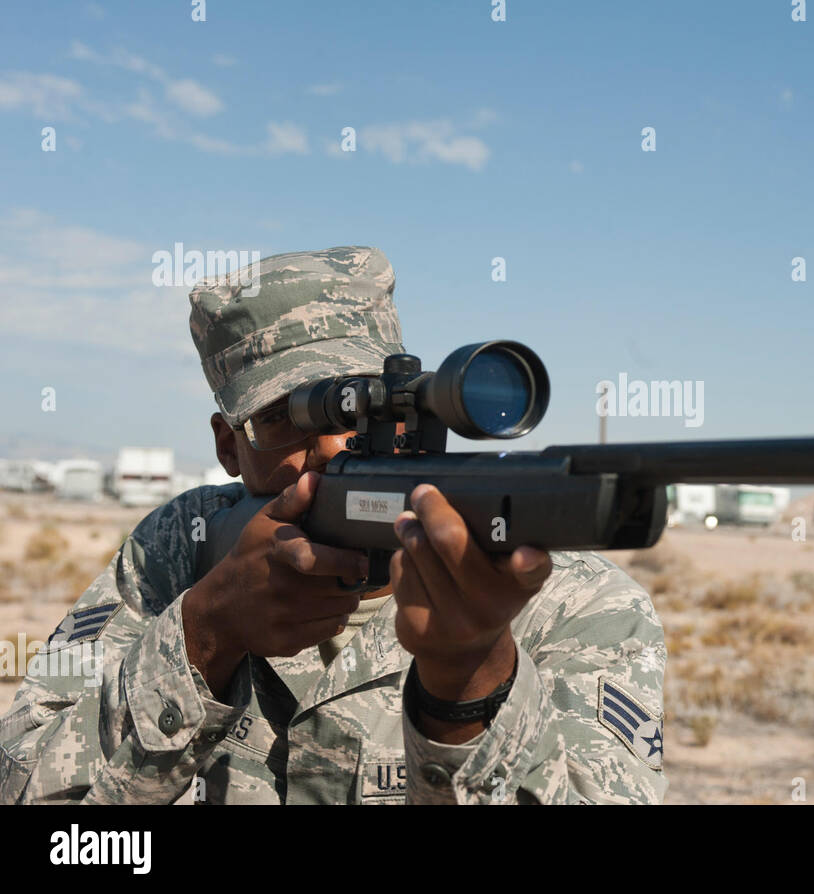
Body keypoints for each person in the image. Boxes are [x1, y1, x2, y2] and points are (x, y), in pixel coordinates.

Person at [0, 246, 667, 804]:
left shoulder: (575, 603)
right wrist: (205, 635)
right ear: (229, 446)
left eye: (363, 410)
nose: (331, 445)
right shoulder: (179, 551)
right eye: (282, 419)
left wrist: (470, 684)